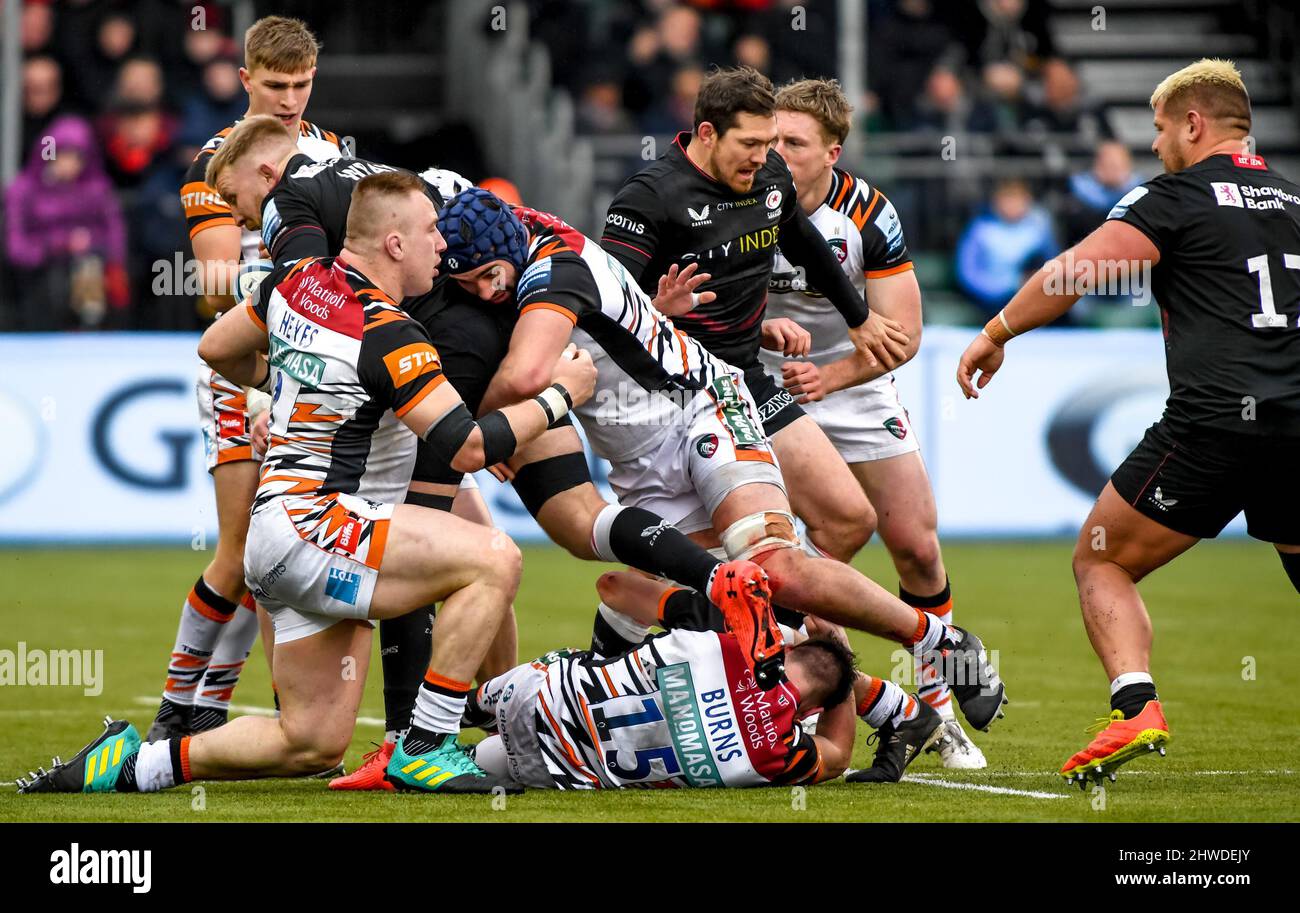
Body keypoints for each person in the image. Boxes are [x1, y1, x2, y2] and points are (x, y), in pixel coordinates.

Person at [202, 120, 781, 790]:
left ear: (267, 174)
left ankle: (408, 739)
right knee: (559, 526)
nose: (238, 212)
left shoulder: (295, 200)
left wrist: (286, 389)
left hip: (450, 369)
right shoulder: (509, 231)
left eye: (235, 197)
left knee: (440, 545)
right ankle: (705, 586)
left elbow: (298, 293)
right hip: (479, 369)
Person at [18, 171, 593, 796]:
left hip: (274, 535)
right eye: (430, 230)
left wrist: (288, 393)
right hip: (318, 525)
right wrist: (563, 395)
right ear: (395, 244)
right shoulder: (390, 331)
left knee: (310, 740)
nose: (442, 245)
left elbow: (216, 348)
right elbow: (468, 446)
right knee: (493, 560)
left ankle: (133, 766)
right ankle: (426, 745)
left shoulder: (297, 281)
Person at [442, 187, 1008, 767]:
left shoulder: (554, 268)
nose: (486, 290)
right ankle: (897, 711)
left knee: (773, 569)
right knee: (711, 609)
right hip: (640, 461)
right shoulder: (518, 239)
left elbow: (525, 376)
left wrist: (487, 432)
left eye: (491, 275)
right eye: (470, 284)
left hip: (702, 406)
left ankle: (942, 642)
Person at [955, 59, 1300, 787]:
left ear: (1193, 124)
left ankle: (1135, 705)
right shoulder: (1295, 201)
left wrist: (997, 330)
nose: (1154, 145)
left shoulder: (1174, 196)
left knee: (1101, 559)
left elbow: (1081, 270)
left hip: (1214, 426)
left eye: (1160, 128)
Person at [601, 66, 909, 566]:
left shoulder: (768, 177)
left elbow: (806, 245)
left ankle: (777, 623)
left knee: (850, 518)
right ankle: (658, 631)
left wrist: (860, 318)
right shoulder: (651, 196)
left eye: (770, 142)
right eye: (749, 143)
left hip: (744, 382)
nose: (763, 157)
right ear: (706, 133)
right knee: (700, 558)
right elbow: (602, 305)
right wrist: (657, 311)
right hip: (669, 393)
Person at [763, 77, 984, 768]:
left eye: (793, 143)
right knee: (809, 559)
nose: (777, 154)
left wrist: (828, 377)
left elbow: (904, 334)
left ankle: (941, 709)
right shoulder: (740, 201)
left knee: (917, 543)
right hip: (762, 390)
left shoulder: (869, 213)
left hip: (852, 385)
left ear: (832, 151)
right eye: (770, 139)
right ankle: (823, 701)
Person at [146, 16, 346, 743]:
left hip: (313, 371)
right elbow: (214, 284)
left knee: (271, 557)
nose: (289, 101)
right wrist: (274, 286)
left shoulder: (328, 154)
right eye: (275, 86)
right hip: (245, 374)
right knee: (237, 551)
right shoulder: (216, 159)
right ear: (245, 81)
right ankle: (178, 709)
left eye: (300, 85)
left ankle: (208, 708)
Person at [4, 116, 128, 331]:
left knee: (89, 267)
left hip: (88, 273)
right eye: (62, 155)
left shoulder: (98, 190)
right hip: (36, 282)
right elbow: (17, 248)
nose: (69, 164)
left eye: (77, 157)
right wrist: (58, 244)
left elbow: (115, 235)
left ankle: (88, 328)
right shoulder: (22, 190)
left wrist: (95, 248)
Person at [955, 178, 1057, 315]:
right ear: (996, 202)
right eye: (1008, 200)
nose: (1013, 206)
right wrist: (1012, 285)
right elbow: (967, 274)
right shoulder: (980, 229)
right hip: (991, 304)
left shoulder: (1038, 229)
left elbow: (1054, 264)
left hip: (1034, 300)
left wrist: (1036, 282)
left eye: (1018, 200)